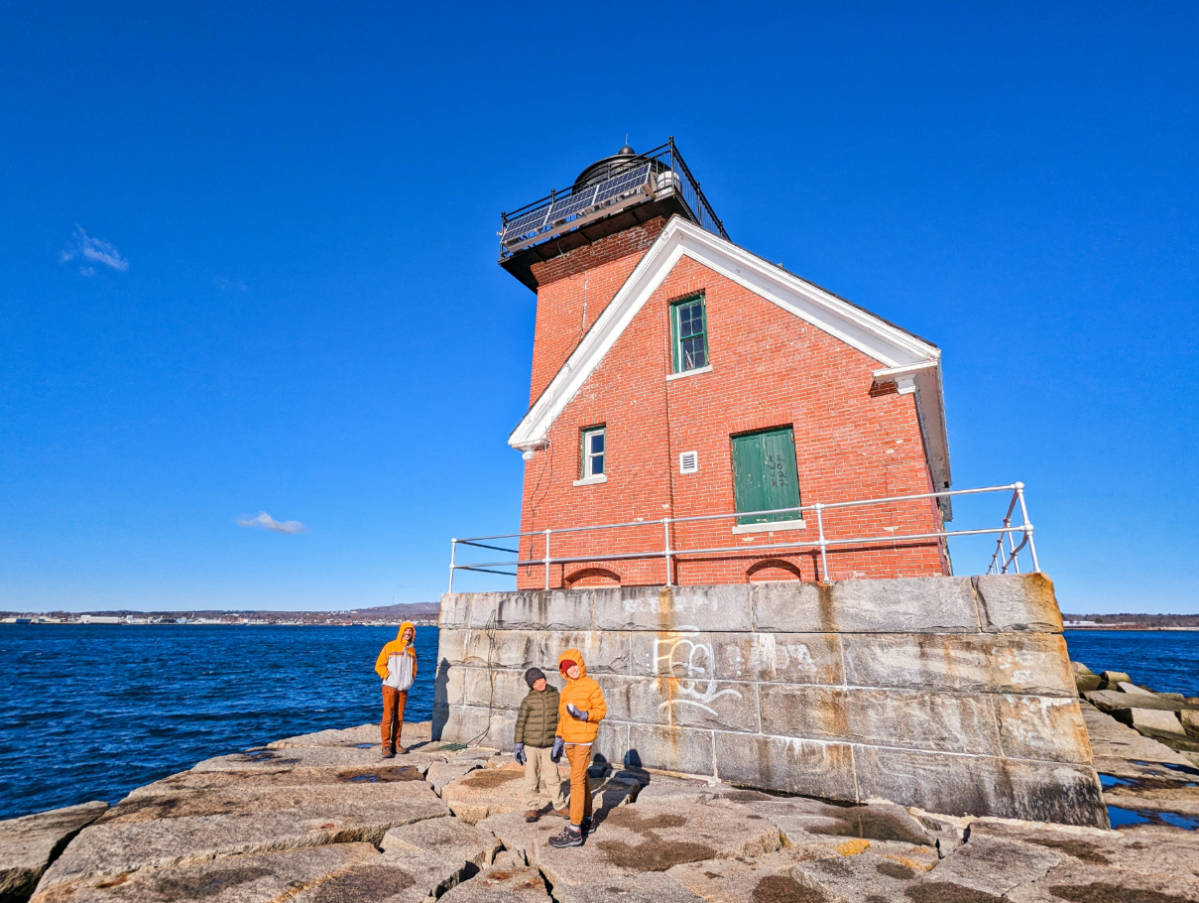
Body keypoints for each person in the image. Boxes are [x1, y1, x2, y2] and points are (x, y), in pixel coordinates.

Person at [548, 647, 606, 849]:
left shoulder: (591, 685)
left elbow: (601, 710)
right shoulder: (565, 691)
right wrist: (558, 740)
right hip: (569, 742)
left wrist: (584, 715)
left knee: (575, 782)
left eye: (573, 666)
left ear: (579, 665)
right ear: (563, 672)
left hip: (583, 741)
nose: (571, 670)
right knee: (582, 781)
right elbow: (563, 719)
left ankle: (574, 831)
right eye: (566, 668)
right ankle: (587, 819)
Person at [513, 666, 566, 823]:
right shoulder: (528, 701)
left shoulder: (555, 696)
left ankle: (560, 805)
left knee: (553, 777)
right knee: (531, 777)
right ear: (531, 685)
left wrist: (560, 739)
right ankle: (532, 808)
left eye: (541, 679)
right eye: (535, 682)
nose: (540, 683)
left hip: (550, 744)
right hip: (531, 746)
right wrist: (518, 744)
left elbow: (562, 717)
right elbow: (520, 723)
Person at [374, 621, 417, 757]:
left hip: (403, 688)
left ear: (413, 634)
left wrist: (410, 680)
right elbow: (379, 665)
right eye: (406, 631)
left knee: (399, 717)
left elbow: (414, 669)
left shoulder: (411, 649)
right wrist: (387, 676)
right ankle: (385, 746)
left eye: (410, 632)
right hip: (390, 687)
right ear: (401, 631)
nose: (407, 634)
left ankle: (396, 744)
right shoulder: (390, 646)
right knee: (388, 716)